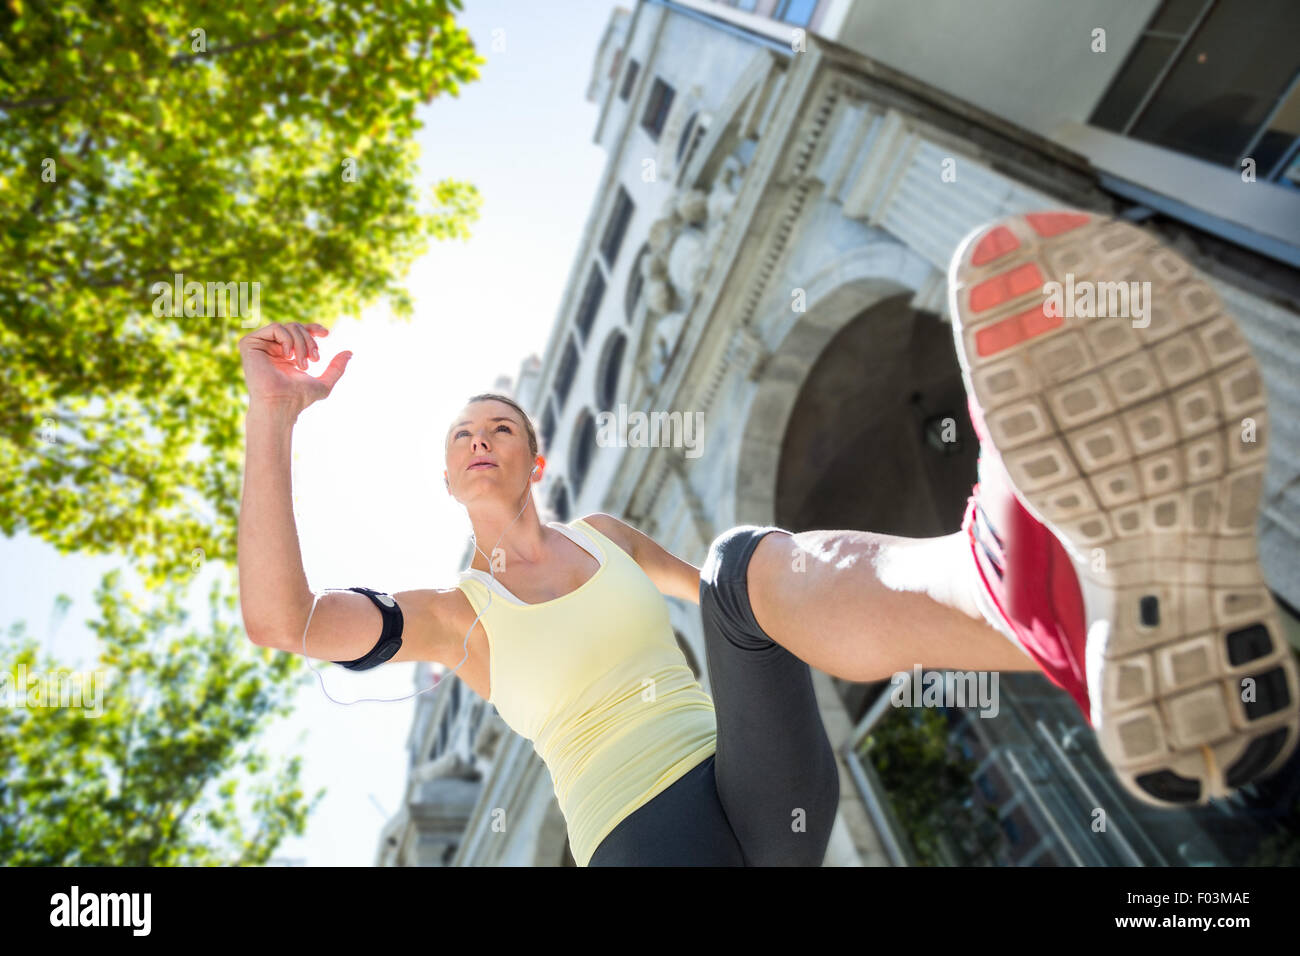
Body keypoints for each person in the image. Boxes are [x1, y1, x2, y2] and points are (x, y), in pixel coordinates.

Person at [236, 207, 1300, 867]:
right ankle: (1057, 605)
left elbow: (746, 600)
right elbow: (282, 622)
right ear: (445, 474)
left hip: (764, 787)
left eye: (500, 425)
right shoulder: (457, 618)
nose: (480, 438)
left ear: (535, 460)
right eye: (461, 432)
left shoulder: (603, 534)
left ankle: (1044, 601)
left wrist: (829, 601)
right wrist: (273, 418)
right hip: (640, 840)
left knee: (745, 561)